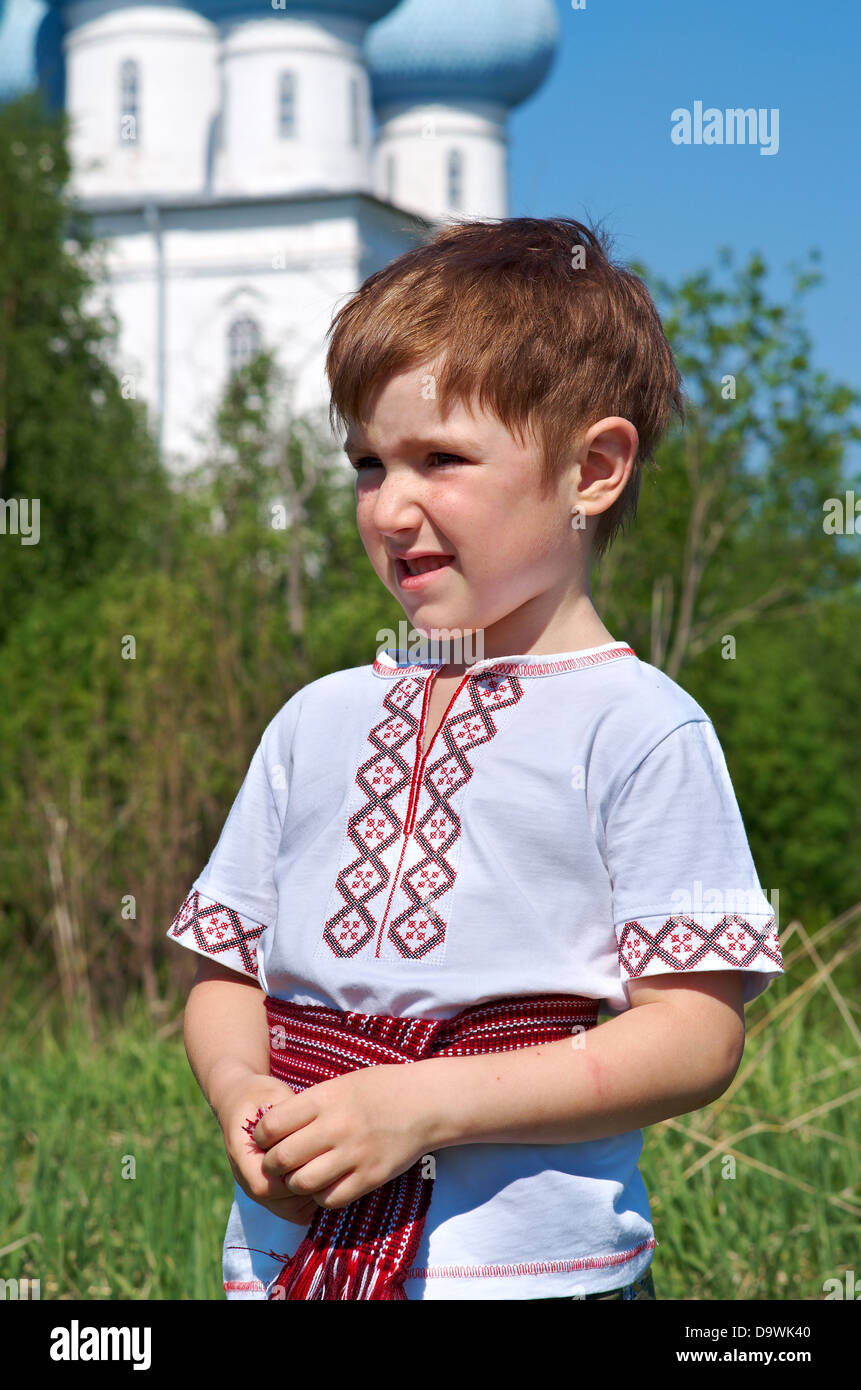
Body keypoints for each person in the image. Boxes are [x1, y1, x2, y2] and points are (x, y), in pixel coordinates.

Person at [167, 216, 784, 1301]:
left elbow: (694, 1034)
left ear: (592, 469)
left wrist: (424, 1103)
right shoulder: (316, 718)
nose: (390, 506)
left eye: (440, 459)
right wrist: (242, 1091)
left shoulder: (638, 727)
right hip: (286, 1265)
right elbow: (227, 970)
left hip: (531, 1277)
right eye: (368, 463)